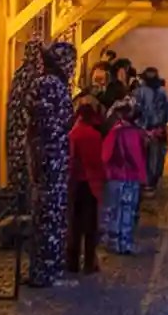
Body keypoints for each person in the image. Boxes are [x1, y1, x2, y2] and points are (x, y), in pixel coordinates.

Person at [28, 42, 77, 287]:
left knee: (52, 216)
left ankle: (47, 269)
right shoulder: (49, 84)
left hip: (51, 158)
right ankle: (47, 271)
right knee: (50, 216)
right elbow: (48, 124)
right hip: (51, 159)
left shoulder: (48, 83)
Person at [102, 99, 149, 253]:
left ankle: (114, 242)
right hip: (131, 177)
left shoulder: (115, 131)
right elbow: (139, 157)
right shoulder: (135, 133)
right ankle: (125, 243)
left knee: (114, 209)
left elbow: (106, 155)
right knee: (128, 210)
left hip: (115, 177)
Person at [6, 40, 44, 210]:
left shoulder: (19, 74)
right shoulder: (36, 77)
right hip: (27, 132)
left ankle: (18, 204)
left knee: (17, 170)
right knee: (29, 171)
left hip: (14, 131)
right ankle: (27, 209)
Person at [67, 99, 104, 275]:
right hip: (91, 184)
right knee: (90, 226)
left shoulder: (73, 134)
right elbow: (98, 161)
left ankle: (72, 261)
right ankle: (89, 262)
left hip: (75, 183)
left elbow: (71, 160)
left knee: (74, 224)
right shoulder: (94, 135)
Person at [134, 67, 168, 191]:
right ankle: (151, 182)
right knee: (155, 156)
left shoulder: (139, 91)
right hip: (156, 128)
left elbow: (135, 109)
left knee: (146, 155)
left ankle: (146, 181)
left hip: (144, 128)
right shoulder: (161, 91)